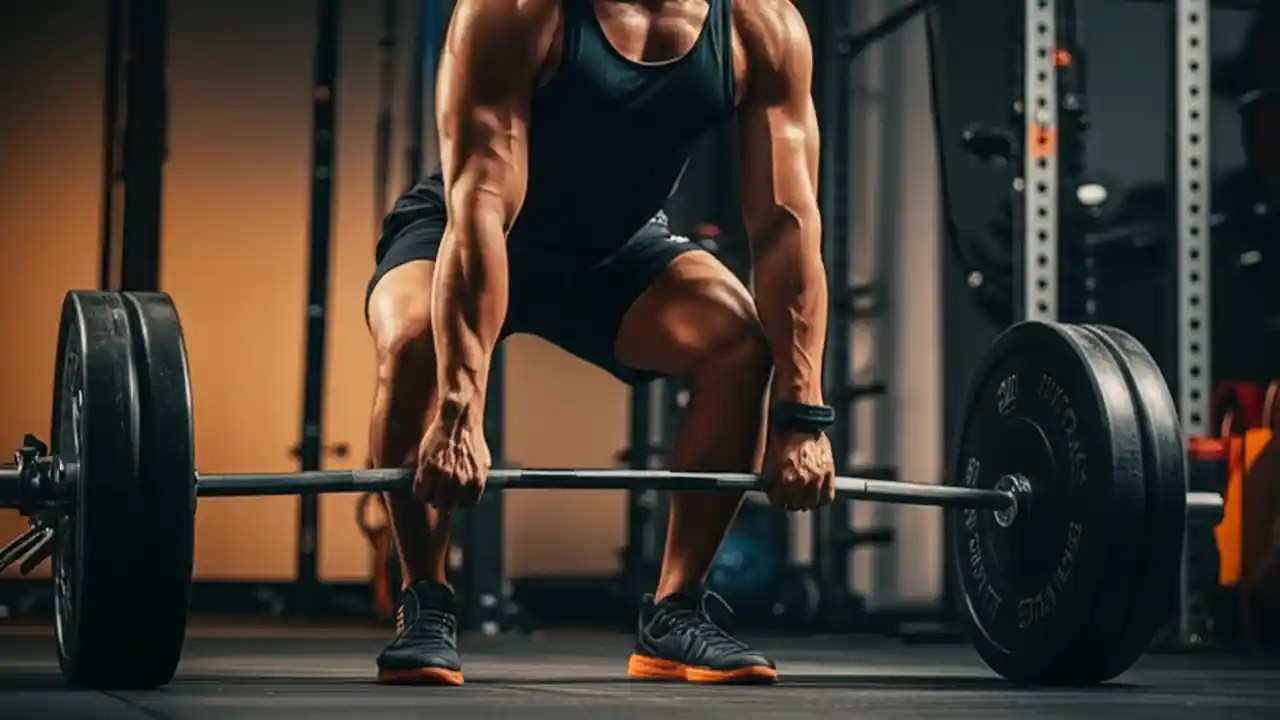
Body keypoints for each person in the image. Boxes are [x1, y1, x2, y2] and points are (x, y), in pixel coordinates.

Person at [365, 0, 835, 686]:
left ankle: (675, 614)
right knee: (412, 341)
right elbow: (484, 204)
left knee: (736, 341)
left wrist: (801, 416)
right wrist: (460, 410)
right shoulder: (514, 12)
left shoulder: (762, 25)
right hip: (466, 229)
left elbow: (787, 225)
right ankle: (425, 596)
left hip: (614, 245)